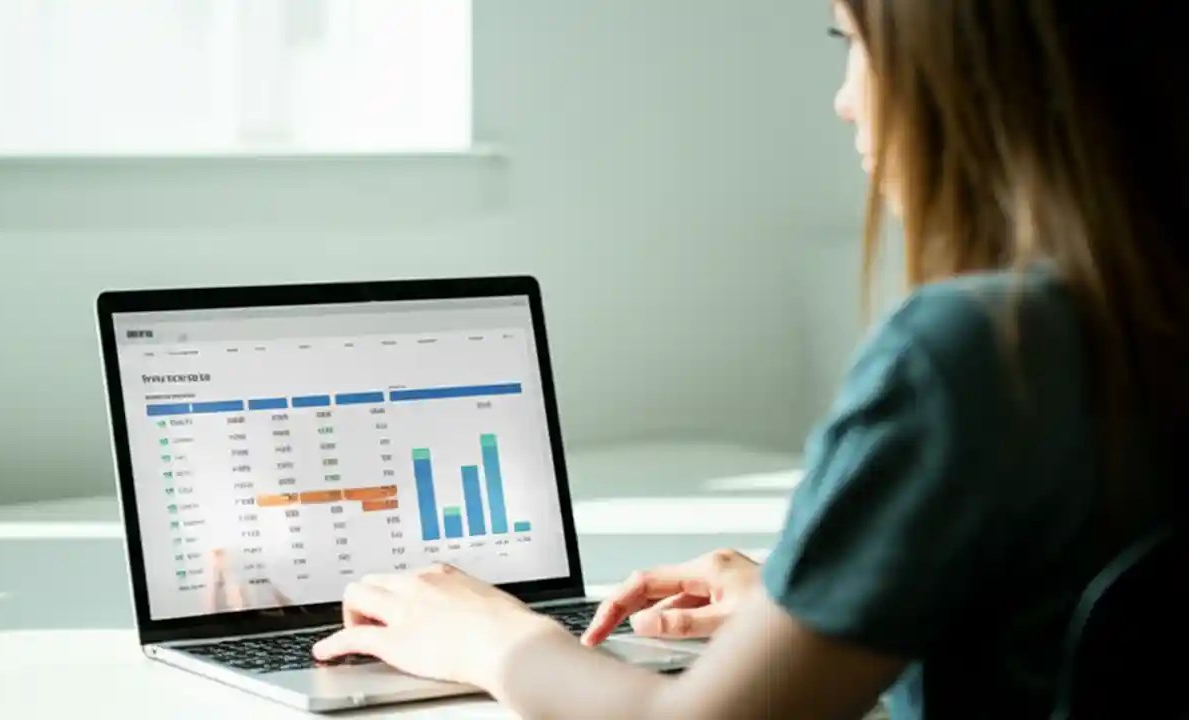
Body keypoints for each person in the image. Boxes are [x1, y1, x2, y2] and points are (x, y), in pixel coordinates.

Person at [310, 0, 1188, 717]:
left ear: (977, 72)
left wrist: (489, 637)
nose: (845, 100)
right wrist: (809, 603)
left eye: (855, 43)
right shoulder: (1144, 320)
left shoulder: (975, 355)